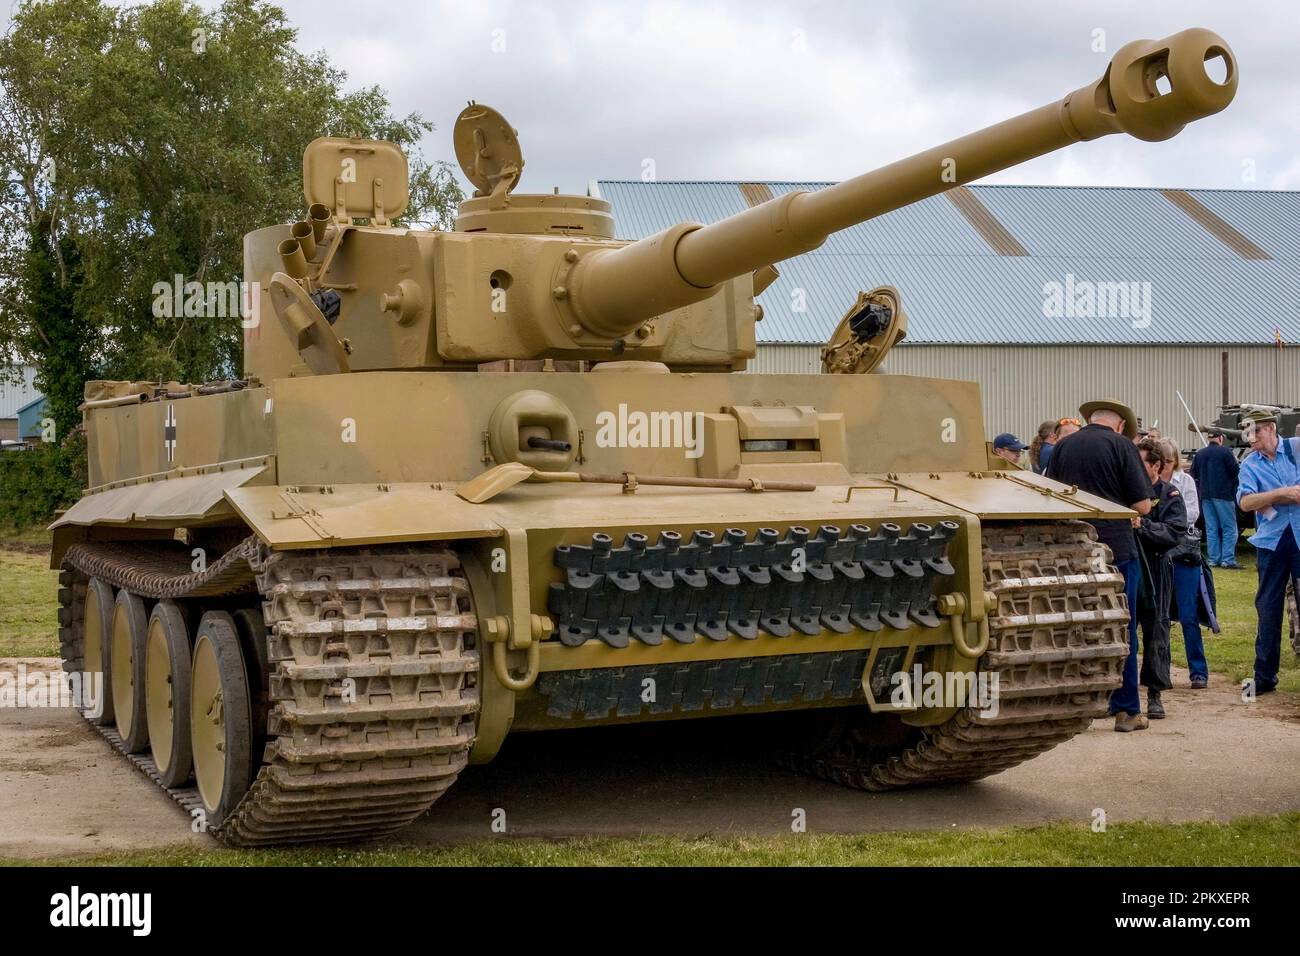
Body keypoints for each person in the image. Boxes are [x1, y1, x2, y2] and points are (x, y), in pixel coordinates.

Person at [1046, 398, 1154, 732]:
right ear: (1120, 424)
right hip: (1116, 547)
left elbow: (1048, 491)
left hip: (1074, 547)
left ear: (1090, 420)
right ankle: (1126, 709)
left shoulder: (1063, 446)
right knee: (1122, 624)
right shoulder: (1122, 446)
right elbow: (1143, 505)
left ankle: (1081, 702)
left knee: (1075, 624)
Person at [1236, 408, 1300, 695]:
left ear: (1271, 429)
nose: (1251, 439)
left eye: (1256, 432)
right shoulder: (1249, 464)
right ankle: (1262, 678)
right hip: (1272, 543)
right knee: (1268, 609)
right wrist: (1281, 494)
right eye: (1247, 433)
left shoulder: (1296, 449)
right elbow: (1246, 502)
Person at [1132, 439, 1187, 719]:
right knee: (1124, 632)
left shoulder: (1169, 495)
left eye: (1140, 463)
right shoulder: (1125, 494)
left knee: (1156, 632)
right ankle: (1122, 694)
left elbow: (1174, 533)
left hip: (1155, 567)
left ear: (1156, 465)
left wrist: (1144, 525)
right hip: (1130, 568)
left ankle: (1155, 693)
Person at [1161, 438, 1209, 689]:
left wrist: (1169, 516)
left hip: (1185, 549)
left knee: (1189, 614)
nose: (1166, 466)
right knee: (1162, 616)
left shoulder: (1185, 481)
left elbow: (1193, 513)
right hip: (1161, 550)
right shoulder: (1152, 482)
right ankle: (1162, 670)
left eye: (1170, 461)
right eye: (1163, 461)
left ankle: (1198, 671)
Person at [1191, 432, 1241, 568]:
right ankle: (1228, 559)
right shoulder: (1226, 452)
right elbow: (1236, 472)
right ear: (1221, 438)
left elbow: (1193, 473)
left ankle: (1213, 559)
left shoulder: (1200, 454)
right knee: (1229, 528)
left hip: (1205, 496)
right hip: (1224, 495)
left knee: (1211, 528)